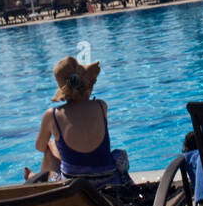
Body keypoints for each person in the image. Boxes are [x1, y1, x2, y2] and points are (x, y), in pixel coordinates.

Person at [24, 57, 131, 187]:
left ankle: (36, 180)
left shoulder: (52, 115)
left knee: (49, 147)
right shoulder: (101, 106)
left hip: (75, 188)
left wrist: (53, 146)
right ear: (87, 85)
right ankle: (36, 178)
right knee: (56, 146)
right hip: (109, 180)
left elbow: (40, 147)